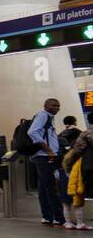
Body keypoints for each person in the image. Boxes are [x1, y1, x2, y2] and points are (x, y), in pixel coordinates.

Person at [28, 98, 65, 227]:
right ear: (45, 106)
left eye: (58, 106)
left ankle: (47, 217)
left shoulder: (47, 117)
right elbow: (32, 132)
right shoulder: (43, 115)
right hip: (43, 156)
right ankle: (59, 218)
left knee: (43, 188)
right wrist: (48, 149)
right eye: (53, 105)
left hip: (43, 156)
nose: (56, 108)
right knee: (51, 187)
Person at [61, 117, 93, 230]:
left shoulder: (62, 134)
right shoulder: (85, 133)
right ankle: (78, 222)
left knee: (70, 198)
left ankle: (71, 222)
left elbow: (75, 151)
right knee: (78, 195)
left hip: (75, 168)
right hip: (84, 167)